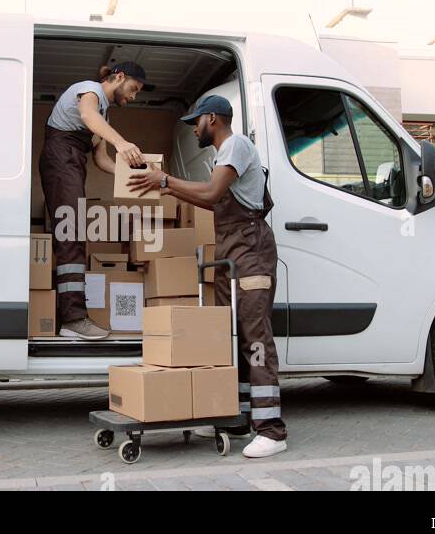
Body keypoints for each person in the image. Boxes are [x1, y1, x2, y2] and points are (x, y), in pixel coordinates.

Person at [126, 95, 288, 458]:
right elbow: (216, 201)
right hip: (231, 250)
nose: (193, 129)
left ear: (211, 119)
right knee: (230, 338)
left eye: (195, 122)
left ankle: (273, 432)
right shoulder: (223, 154)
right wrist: (165, 187)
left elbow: (214, 191)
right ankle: (239, 419)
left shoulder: (236, 145)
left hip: (250, 250)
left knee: (256, 337)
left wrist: (166, 178)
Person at [38, 62, 154, 340]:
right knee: (71, 235)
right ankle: (73, 320)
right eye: (133, 89)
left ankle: (73, 317)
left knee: (75, 235)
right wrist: (122, 143)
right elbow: (88, 115)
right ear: (120, 77)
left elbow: (101, 160)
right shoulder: (89, 91)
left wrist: (138, 176)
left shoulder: (105, 116)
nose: (134, 96)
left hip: (72, 165)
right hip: (60, 161)